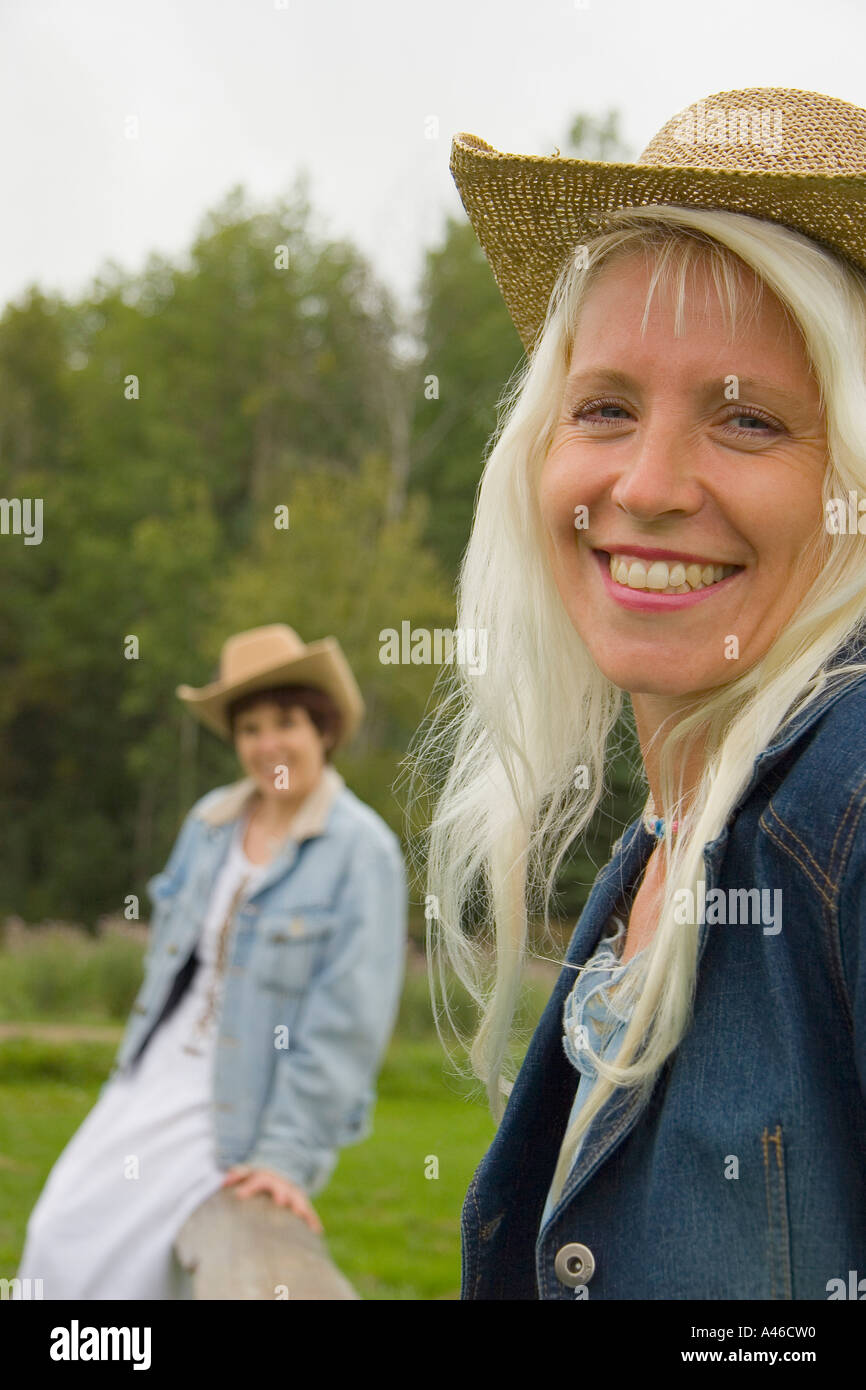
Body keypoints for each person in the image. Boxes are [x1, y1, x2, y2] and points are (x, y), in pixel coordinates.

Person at [411, 86, 866, 1299]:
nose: (648, 484)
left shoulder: (850, 798)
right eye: (604, 407)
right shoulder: (678, 831)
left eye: (750, 420)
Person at [15, 623, 407, 1299]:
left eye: (285, 721)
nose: (268, 744)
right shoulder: (209, 824)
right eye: (250, 728)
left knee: (143, 1268)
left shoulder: (360, 853)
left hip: (238, 1100)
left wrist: (285, 1157)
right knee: (58, 1233)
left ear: (323, 728)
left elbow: (346, 1030)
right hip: (152, 1072)